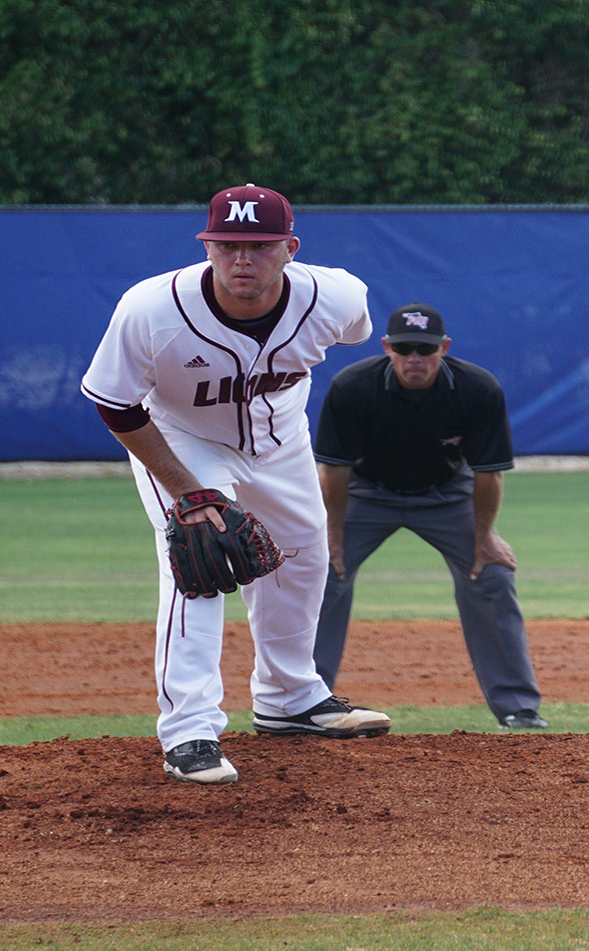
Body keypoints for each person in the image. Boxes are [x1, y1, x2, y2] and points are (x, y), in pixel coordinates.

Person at [81, 183, 391, 785]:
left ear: (290, 248)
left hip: (281, 440)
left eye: (259, 246)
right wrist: (188, 493)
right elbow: (116, 405)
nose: (242, 260)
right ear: (208, 247)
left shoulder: (336, 297)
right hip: (182, 443)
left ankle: (288, 699)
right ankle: (189, 731)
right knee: (199, 562)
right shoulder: (151, 309)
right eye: (227, 245)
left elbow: (355, 332)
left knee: (302, 559)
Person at [312, 302, 546, 731]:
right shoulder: (353, 388)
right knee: (322, 571)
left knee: (491, 573)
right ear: (386, 347)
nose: (414, 358)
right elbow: (334, 470)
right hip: (366, 491)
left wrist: (485, 536)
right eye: (404, 349)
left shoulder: (476, 389)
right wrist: (331, 534)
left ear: (444, 348)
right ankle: (303, 701)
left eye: (424, 348)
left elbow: (488, 473)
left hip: (446, 492)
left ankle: (518, 709)